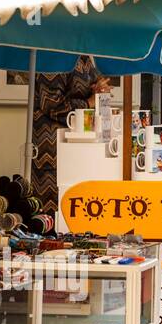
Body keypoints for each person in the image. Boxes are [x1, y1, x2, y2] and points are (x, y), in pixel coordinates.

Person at [31, 56, 110, 214]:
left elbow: (86, 90)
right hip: (53, 144)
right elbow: (50, 103)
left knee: (74, 202)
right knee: (54, 205)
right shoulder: (54, 55)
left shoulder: (83, 57)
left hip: (74, 142)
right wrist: (89, 103)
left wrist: (98, 89)